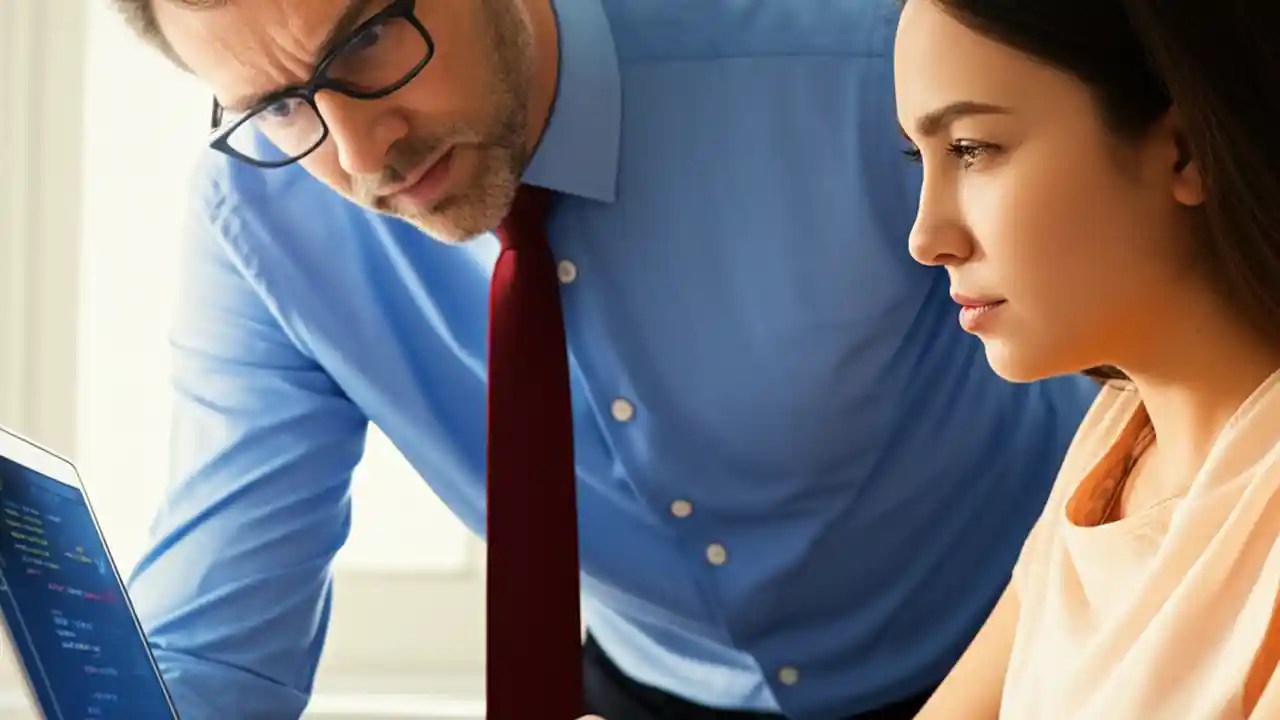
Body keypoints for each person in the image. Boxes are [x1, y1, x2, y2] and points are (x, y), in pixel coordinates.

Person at [109, 0, 1096, 718]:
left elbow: (1157, 380)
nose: (363, 154)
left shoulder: (861, 63)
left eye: (368, 36)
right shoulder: (261, 219)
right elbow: (214, 642)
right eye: (279, 104)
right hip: (649, 690)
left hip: (1024, 651)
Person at [895, 0, 1280, 717]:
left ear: (1186, 149)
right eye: (920, 158)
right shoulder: (1120, 441)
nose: (927, 236)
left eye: (973, 149)